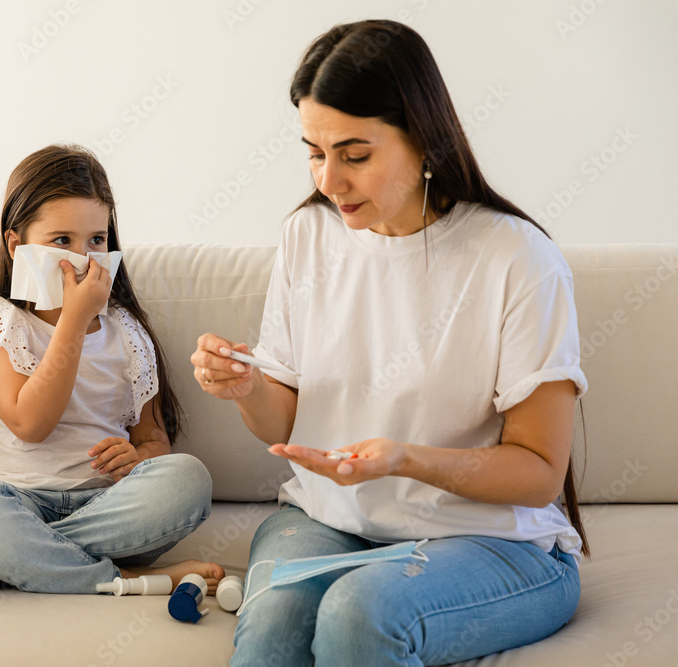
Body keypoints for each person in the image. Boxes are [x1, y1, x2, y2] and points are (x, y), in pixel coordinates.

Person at [191, 20, 587, 666]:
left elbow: (540, 472)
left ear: (424, 140)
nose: (328, 181)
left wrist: (405, 459)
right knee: (272, 630)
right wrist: (249, 386)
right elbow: (286, 425)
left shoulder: (517, 259)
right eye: (314, 153)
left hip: (490, 541)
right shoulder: (307, 236)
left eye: (355, 156)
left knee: (358, 614)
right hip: (329, 519)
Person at [0, 144, 223, 596]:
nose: (83, 258)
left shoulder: (126, 332)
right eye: (61, 241)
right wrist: (73, 318)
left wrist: (139, 459)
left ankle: (16, 563)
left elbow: (153, 438)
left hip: (104, 504)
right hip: (14, 501)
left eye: (96, 240)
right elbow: (31, 423)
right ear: (16, 246)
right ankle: (119, 579)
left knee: (188, 478)